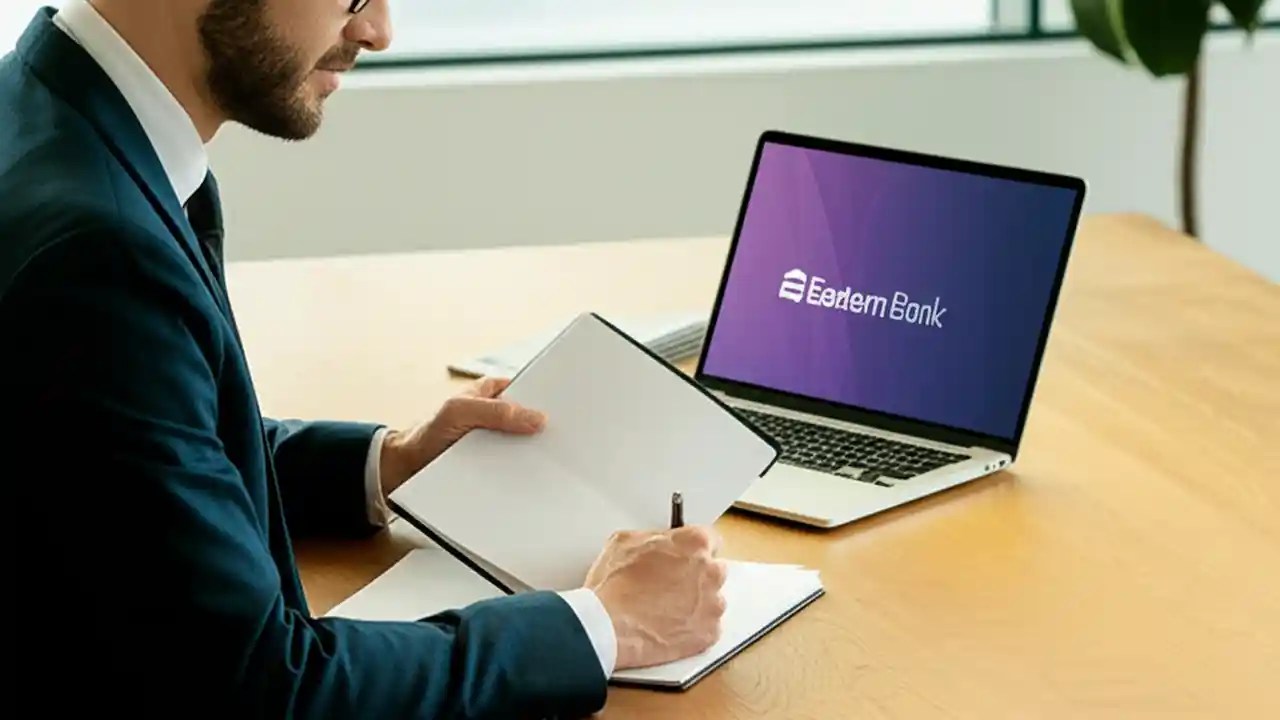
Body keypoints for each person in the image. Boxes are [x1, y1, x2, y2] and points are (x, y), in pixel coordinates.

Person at [0, 1, 728, 717]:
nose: (378, 31)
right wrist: (602, 624)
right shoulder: (98, 251)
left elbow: (133, 464)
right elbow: (265, 689)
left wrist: (387, 464)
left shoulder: (44, 108)